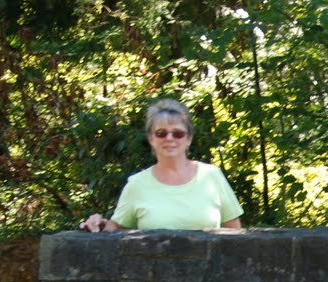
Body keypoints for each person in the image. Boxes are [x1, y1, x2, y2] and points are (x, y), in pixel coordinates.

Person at [80, 99, 244, 232]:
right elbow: (116, 229)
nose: (169, 138)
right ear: (151, 139)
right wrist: (98, 224)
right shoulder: (137, 184)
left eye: (178, 133)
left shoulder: (211, 176)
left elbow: (234, 232)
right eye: (161, 133)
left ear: (189, 138)